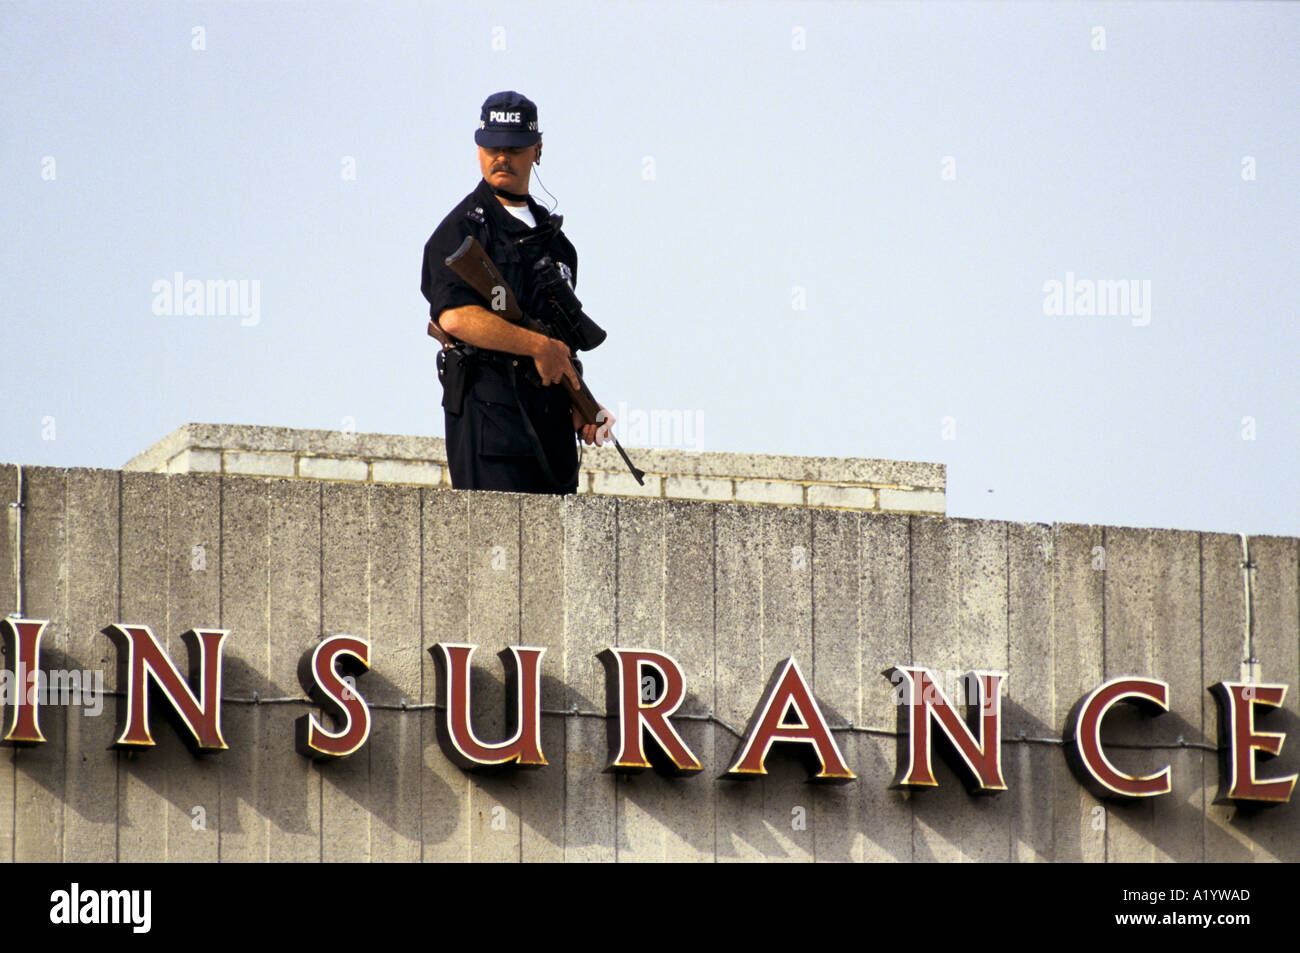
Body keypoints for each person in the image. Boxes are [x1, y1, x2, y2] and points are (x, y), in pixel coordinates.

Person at [421, 90, 612, 494]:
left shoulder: (556, 243)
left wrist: (579, 402)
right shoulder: (462, 230)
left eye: (513, 147)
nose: (501, 157)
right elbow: (455, 317)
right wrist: (538, 348)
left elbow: (561, 340)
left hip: (550, 431)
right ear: (479, 149)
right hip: (491, 425)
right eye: (492, 147)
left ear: (537, 150)